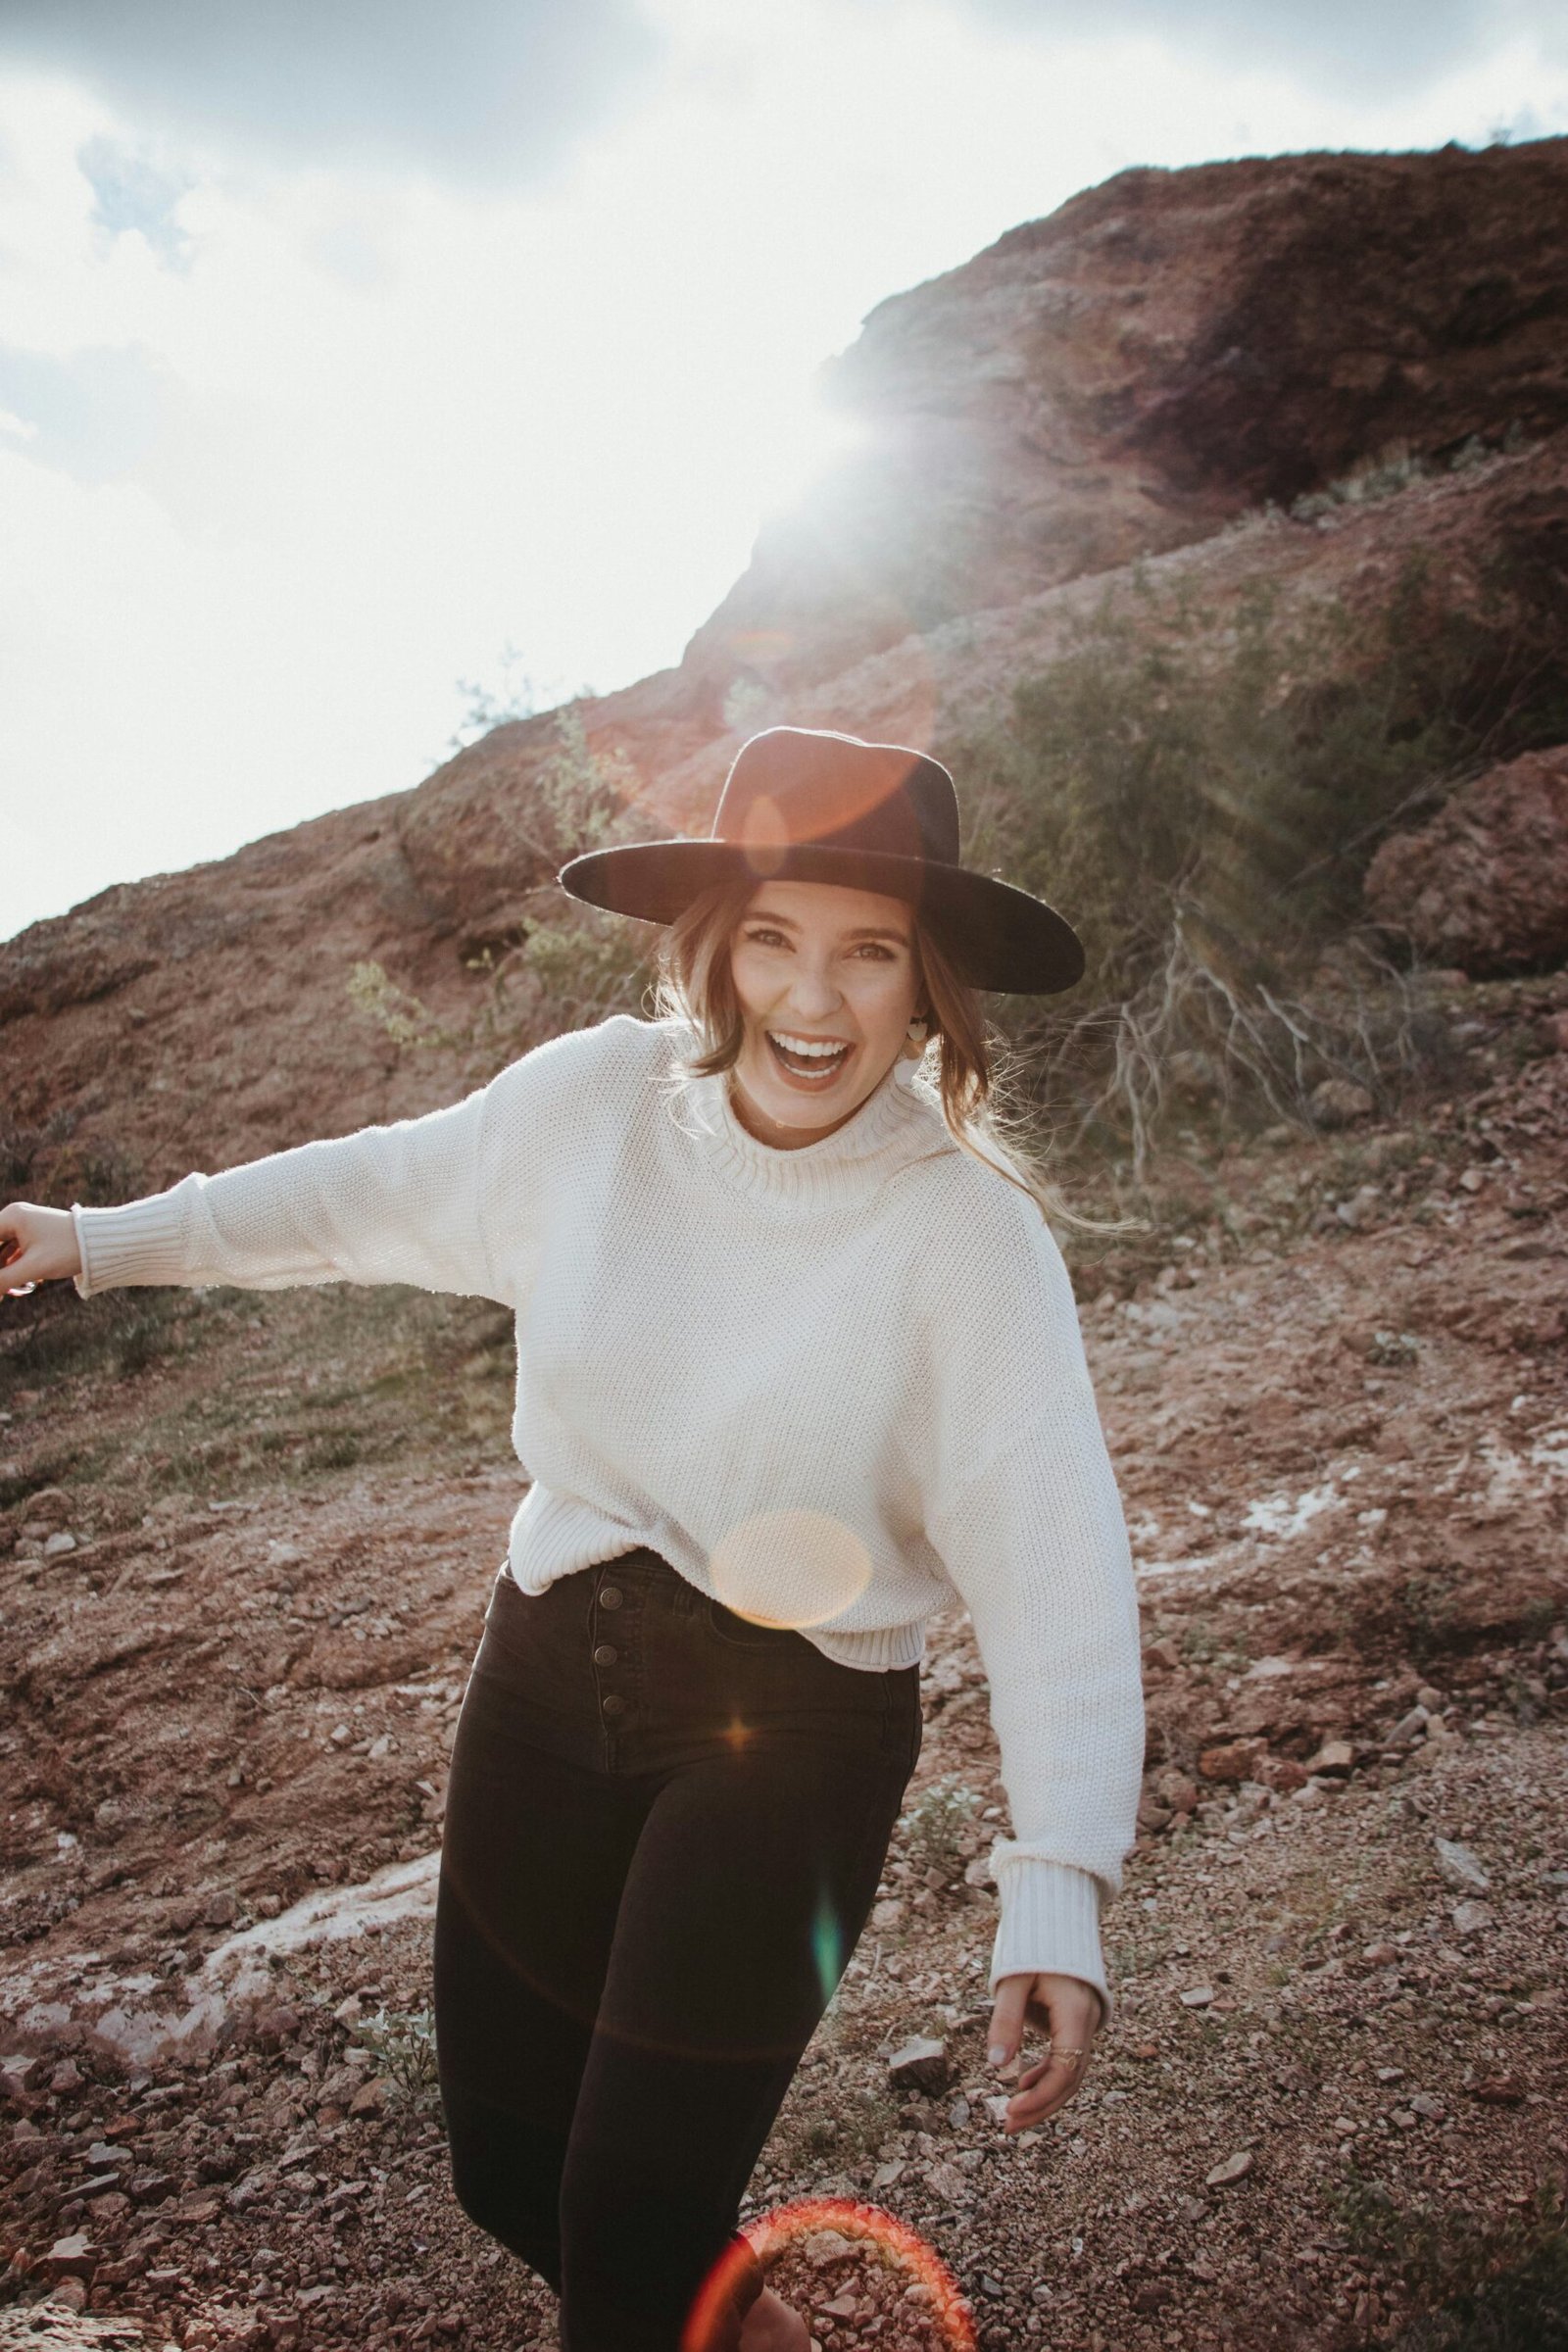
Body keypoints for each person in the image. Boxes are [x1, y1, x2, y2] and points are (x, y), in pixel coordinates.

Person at [0, 725, 1144, 2352]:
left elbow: (1056, 1567)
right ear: (720, 950)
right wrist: (100, 1240)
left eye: (868, 955)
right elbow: (359, 1198)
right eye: (774, 941)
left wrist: (1058, 1884)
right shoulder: (595, 1105)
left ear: (929, 982)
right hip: (549, 1668)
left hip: (793, 1734)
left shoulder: (968, 1241)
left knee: (630, 2219)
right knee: (509, 2171)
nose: (813, 1004)